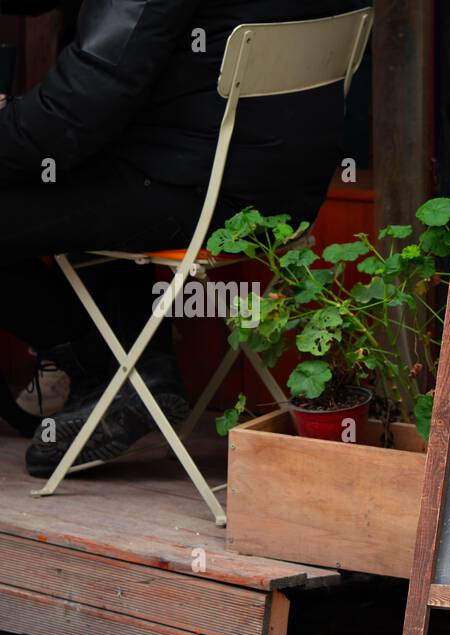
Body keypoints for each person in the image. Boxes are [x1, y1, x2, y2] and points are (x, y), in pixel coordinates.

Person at [0, 0, 364, 476]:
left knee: (68, 159)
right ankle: (127, 367)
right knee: (81, 162)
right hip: (283, 195)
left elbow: (78, 108)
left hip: (193, 191)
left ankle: (109, 370)